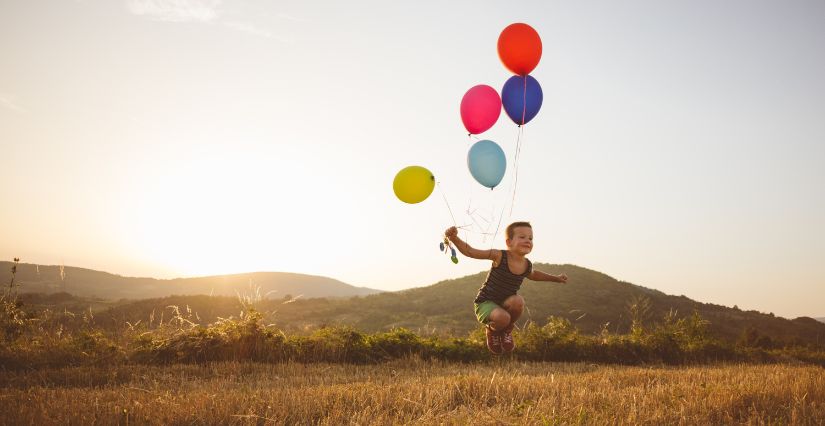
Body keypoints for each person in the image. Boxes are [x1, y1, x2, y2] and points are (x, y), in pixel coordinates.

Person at [445, 221, 568, 354]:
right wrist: (454, 238)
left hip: (505, 303)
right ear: (509, 242)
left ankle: (506, 330)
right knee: (503, 318)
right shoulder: (499, 255)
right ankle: (492, 330)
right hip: (485, 303)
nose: (527, 240)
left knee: (518, 301)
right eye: (522, 237)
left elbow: (534, 275)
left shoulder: (527, 265)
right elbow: (472, 252)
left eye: (530, 238)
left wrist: (555, 278)